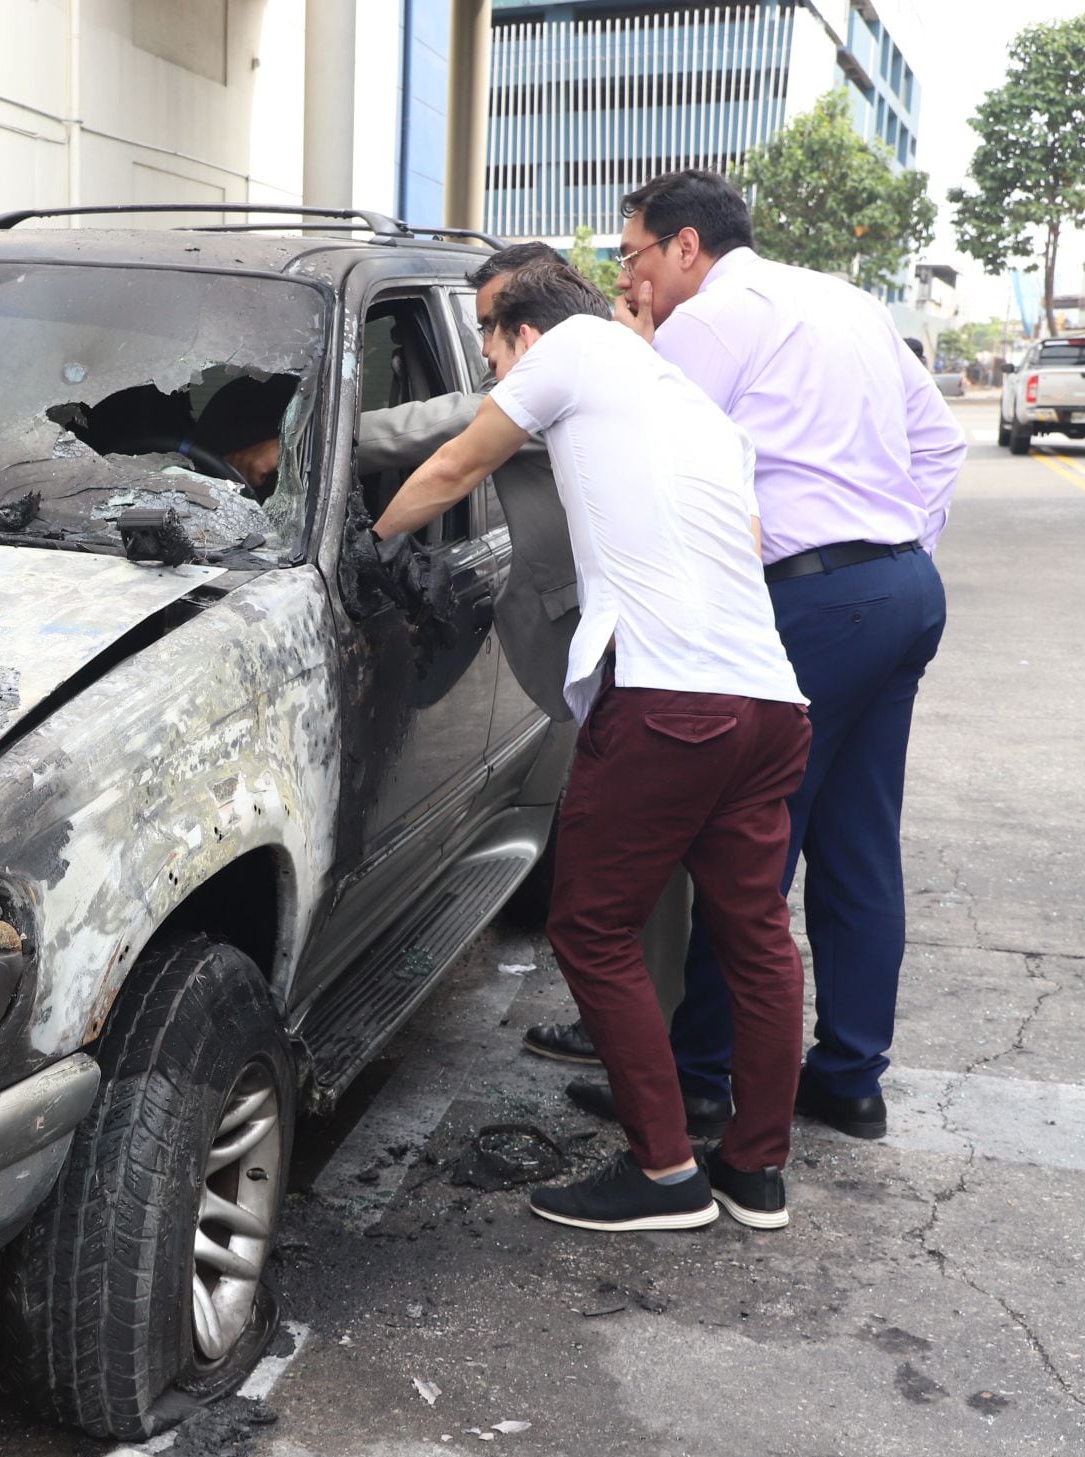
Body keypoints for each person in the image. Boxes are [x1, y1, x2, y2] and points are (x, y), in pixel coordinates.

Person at [371, 258, 810, 1232]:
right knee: (759, 942)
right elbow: (742, 536)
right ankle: (755, 1171)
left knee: (592, 929)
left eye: (489, 336)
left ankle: (663, 1176)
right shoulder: (695, 406)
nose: (487, 356)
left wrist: (371, 540)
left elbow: (455, 465)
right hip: (768, 700)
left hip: (667, 701)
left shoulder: (565, 350)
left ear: (526, 330)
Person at [601, 169, 965, 1141]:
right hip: (899, 594)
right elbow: (941, 443)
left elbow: (647, 457)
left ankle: (702, 1078)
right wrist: (891, 553)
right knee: (855, 839)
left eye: (632, 255)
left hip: (813, 606)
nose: (631, 278)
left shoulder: (709, 321)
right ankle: (849, 1077)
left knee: (745, 843)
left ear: (685, 245)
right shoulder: (846, 301)